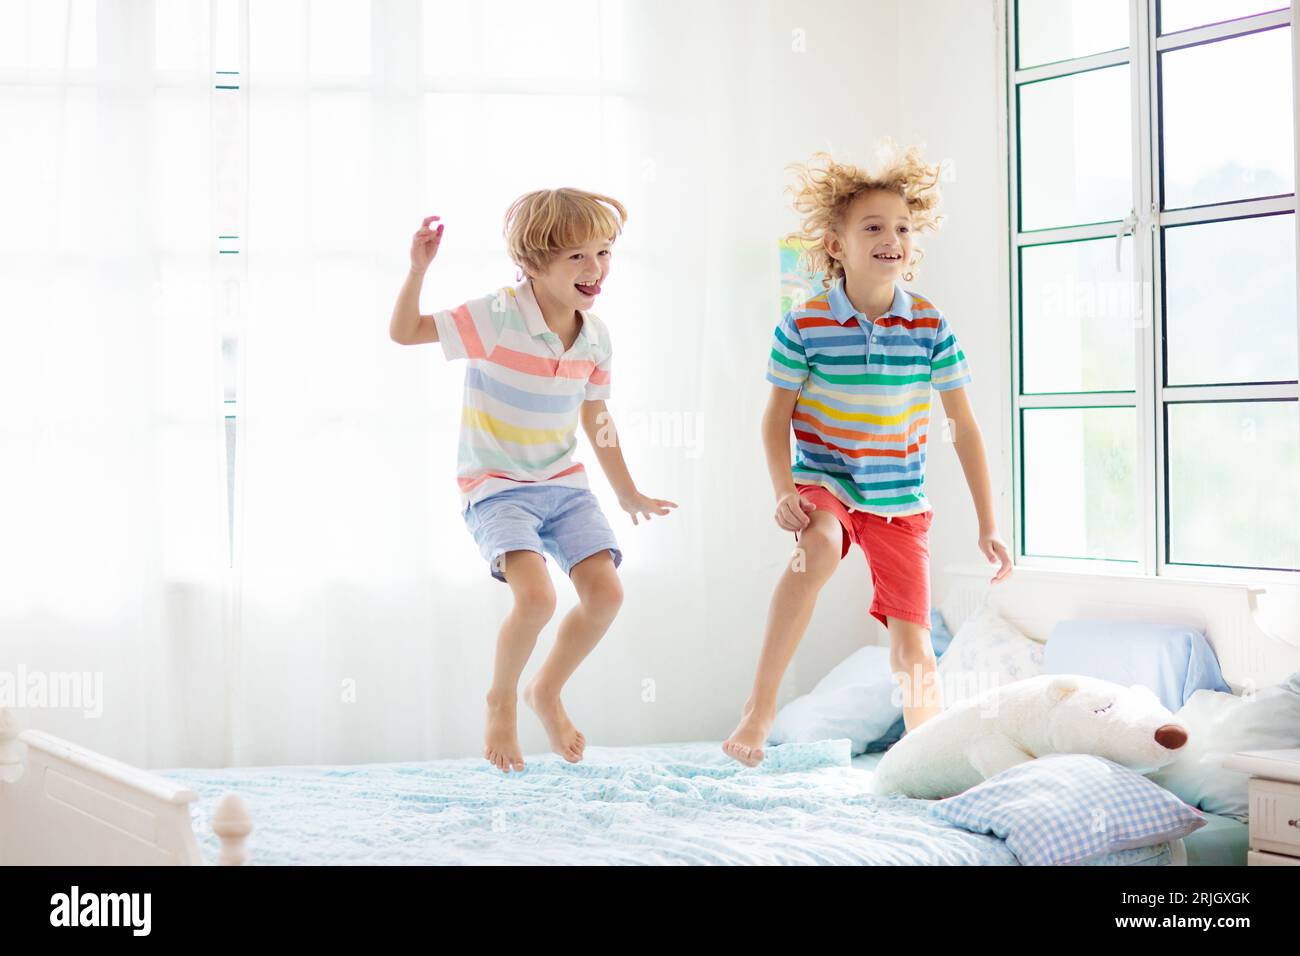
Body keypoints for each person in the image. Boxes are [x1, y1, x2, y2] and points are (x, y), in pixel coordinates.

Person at [723, 144, 1012, 768]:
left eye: (903, 228)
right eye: (874, 227)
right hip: (825, 477)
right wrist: (783, 491)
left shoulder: (930, 325)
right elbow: (774, 419)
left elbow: (962, 426)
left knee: (914, 642)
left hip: (899, 494)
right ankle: (760, 709)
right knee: (820, 546)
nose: (892, 239)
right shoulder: (804, 325)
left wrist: (989, 522)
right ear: (837, 244)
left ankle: (926, 755)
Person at [390, 189, 677, 773]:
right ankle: (502, 699)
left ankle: (545, 689)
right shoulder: (495, 316)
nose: (595, 269)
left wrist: (627, 490)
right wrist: (418, 270)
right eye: (577, 257)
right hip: (496, 486)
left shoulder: (595, 336)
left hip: (565, 485)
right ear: (532, 264)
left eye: (603, 253)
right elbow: (405, 331)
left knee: (607, 593)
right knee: (537, 596)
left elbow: (595, 416)